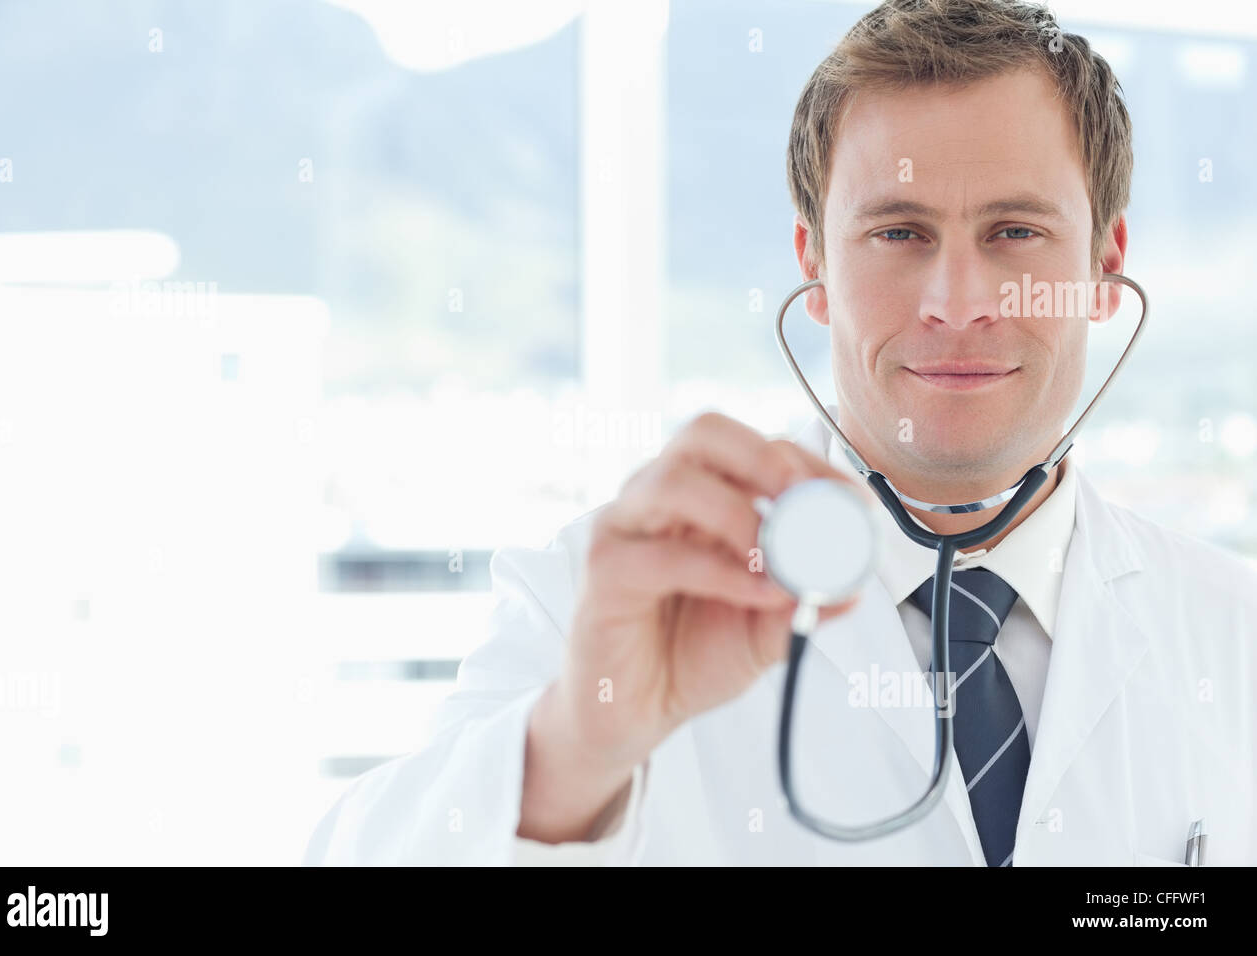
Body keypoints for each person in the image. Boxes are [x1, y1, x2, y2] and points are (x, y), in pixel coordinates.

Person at [304, 0, 1257, 866]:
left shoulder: (1232, 635)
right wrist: (579, 746)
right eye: (899, 233)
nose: (958, 302)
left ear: (1104, 263)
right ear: (815, 263)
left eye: (1014, 231)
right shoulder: (595, 606)